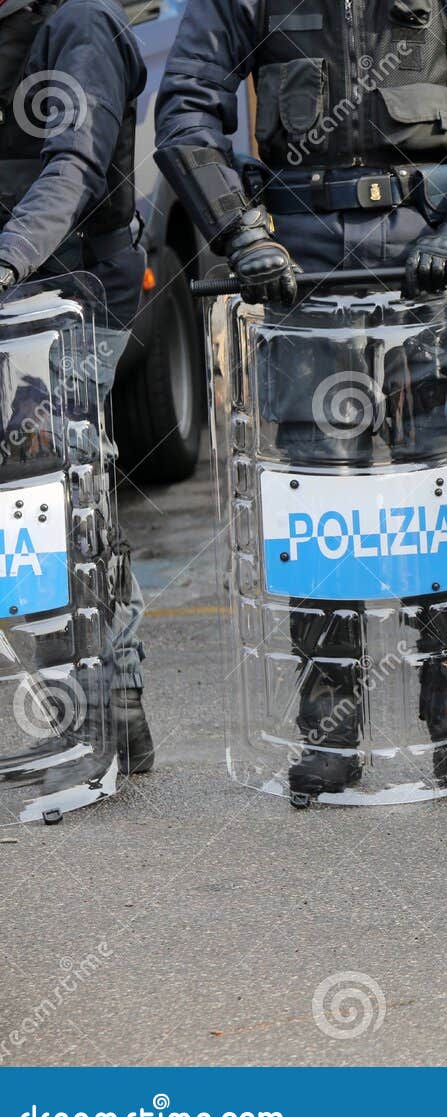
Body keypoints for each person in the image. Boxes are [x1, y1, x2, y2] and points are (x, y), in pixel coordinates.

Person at [155, 0, 447, 800]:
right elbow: (186, 108)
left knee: (443, 492)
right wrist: (243, 234)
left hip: (428, 263)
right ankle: (328, 727)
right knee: (316, 504)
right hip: (301, 270)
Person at [0, 0, 155, 776]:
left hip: (75, 292)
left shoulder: (80, 28)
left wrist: (7, 258)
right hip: (15, 292)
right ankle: (100, 714)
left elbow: (75, 162)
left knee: (60, 497)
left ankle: (101, 712)